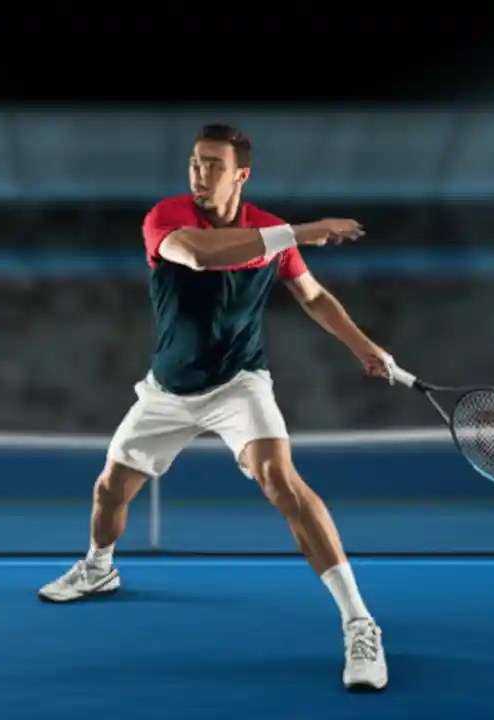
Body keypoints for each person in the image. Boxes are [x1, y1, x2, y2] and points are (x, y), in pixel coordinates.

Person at [37, 123, 396, 691]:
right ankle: (99, 566)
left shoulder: (270, 230)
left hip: (239, 383)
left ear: (241, 175)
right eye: (195, 163)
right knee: (109, 489)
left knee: (280, 477)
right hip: (167, 390)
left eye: (213, 165)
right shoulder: (167, 217)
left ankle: (359, 622)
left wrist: (364, 347)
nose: (200, 174)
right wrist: (298, 233)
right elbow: (199, 257)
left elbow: (314, 296)